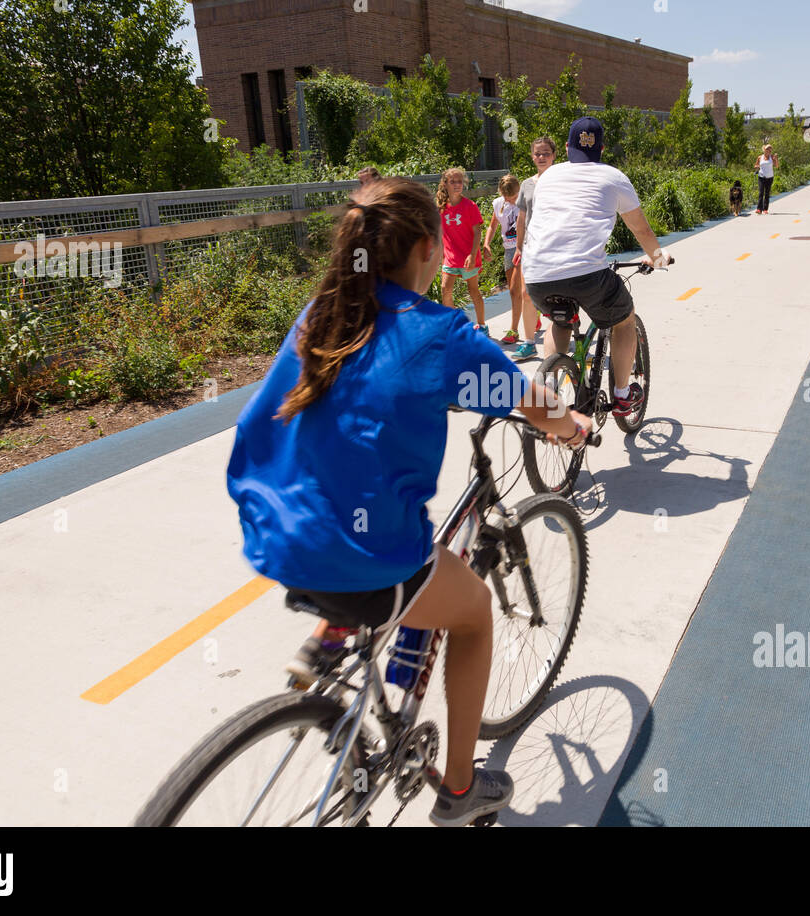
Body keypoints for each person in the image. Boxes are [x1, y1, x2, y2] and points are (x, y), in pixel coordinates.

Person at [225, 177, 593, 826]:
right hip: (359, 556)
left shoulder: (324, 313)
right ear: (429, 248)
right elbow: (528, 401)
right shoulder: (442, 334)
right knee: (474, 608)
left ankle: (332, 634)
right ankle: (458, 791)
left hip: (273, 530)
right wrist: (569, 427)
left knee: (371, 528)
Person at [520, 117, 670, 420]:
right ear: (601, 148)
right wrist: (657, 256)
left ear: (565, 147)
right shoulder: (613, 177)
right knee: (624, 319)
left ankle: (553, 387)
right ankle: (622, 396)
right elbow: (640, 229)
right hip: (586, 275)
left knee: (558, 320)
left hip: (537, 274)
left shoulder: (547, 176)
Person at [511, 137, 559, 360]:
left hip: (554, 247)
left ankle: (559, 337)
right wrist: (519, 247)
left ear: (554, 155)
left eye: (546, 153)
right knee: (526, 295)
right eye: (538, 153)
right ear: (532, 156)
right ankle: (529, 343)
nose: (541, 157)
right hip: (531, 248)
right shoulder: (527, 184)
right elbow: (522, 218)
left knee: (557, 296)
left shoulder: (562, 180)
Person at [436, 168, 488, 334]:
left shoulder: (470, 206)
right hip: (450, 257)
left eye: (459, 181)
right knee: (445, 290)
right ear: (445, 184)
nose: (457, 185)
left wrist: (472, 256)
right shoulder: (441, 208)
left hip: (468, 257)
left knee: (473, 290)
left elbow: (477, 232)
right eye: (453, 182)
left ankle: (482, 325)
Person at [482, 173, 525, 346]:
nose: (511, 201)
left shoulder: (526, 202)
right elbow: (493, 225)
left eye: (514, 197)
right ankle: (533, 313)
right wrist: (487, 244)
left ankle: (513, 330)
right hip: (509, 249)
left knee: (515, 290)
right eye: (508, 198)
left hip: (524, 248)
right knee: (515, 290)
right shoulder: (499, 204)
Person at [754, 143, 779, 214]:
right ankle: (759, 209)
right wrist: (757, 166)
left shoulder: (772, 157)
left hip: (770, 177)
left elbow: (776, 166)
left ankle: (765, 209)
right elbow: (755, 165)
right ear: (764, 149)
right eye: (767, 149)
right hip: (761, 177)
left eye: (770, 150)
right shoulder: (760, 157)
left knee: (767, 193)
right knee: (761, 192)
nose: (769, 151)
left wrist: (776, 159)